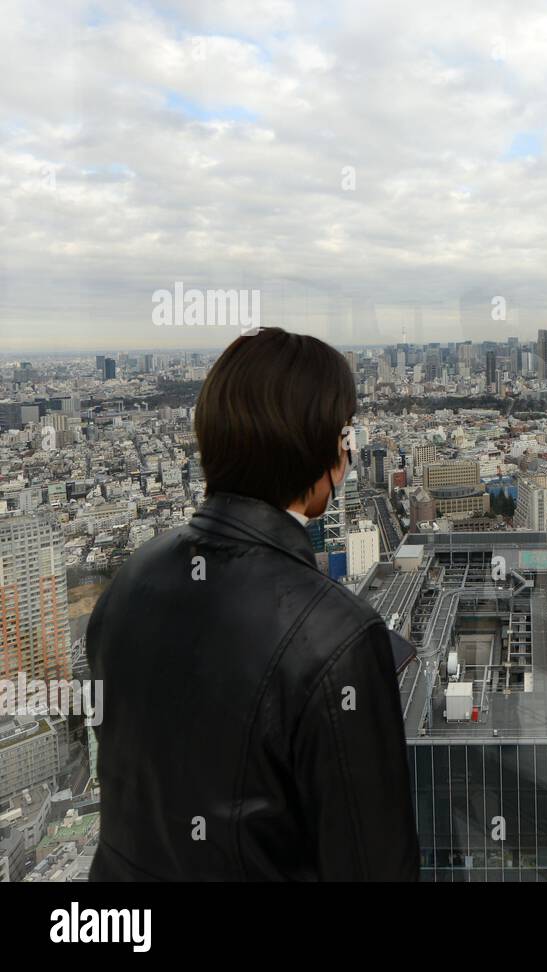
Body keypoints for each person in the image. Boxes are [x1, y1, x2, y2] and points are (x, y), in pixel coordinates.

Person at [88, 327, 417, 880]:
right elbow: (372, 861)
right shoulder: (337, 635)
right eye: (342, 438)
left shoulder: (130, 580)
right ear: (322, 451)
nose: (347, 453)